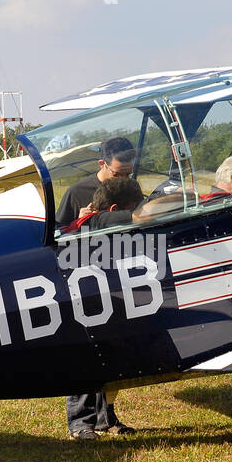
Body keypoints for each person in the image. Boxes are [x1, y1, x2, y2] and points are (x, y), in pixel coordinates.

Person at [62, 173, 142, 441]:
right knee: (90, 359)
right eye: (132, 207)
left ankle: (105, 419)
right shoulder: (99, 220)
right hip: (87, 301)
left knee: (110, 357)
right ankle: (80, 422)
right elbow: (145, 216)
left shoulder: (87, 218)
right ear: (114, 210)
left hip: (101, 298)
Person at [55, 136, 136, 228]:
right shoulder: (76, 192)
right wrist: (79, 221)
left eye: (128, 174)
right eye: (116, 175)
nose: (123, 180)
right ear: (102, 164)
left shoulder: (132, 186)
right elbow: (59, 231)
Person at [64, 176, 145, 233]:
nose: (136, 210)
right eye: (133, 208)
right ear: (114, 209)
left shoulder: (88, 223)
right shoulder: (101, 221)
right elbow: (141, 216)